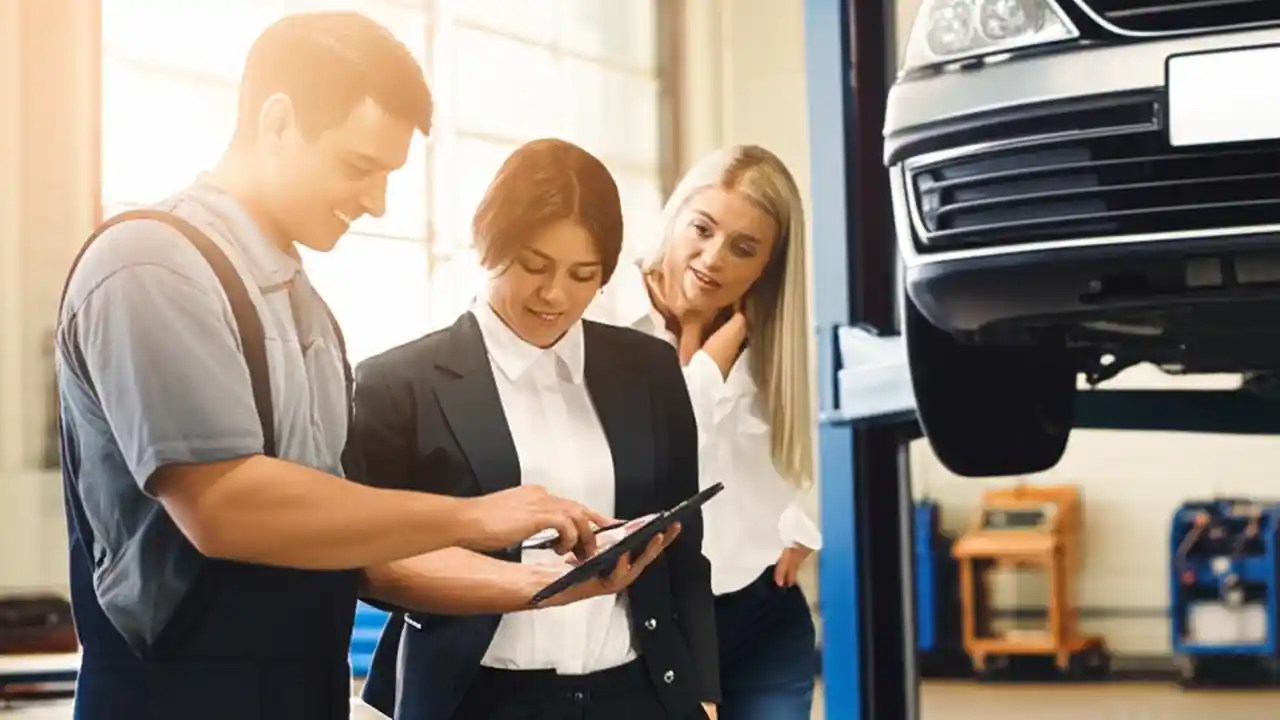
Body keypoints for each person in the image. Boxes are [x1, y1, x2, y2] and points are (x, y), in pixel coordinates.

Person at [54, 14, 611, 720]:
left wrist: (547, 587)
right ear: (278, 122)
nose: (376, 202)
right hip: (175, 698)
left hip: (301, 691)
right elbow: (226, 506)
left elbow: (353, 549)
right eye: (359, 166)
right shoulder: (150, 267)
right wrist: (477, 516)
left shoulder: (306, 310)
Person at [351, 138, 720, 720]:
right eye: (534, 266)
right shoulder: (398, 384)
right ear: (488, 242)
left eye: (583, 274)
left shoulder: (649, 369)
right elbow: (368, 564)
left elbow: (685, 553)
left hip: (638, 693)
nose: (555, 295)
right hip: (477, 698)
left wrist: (702, 690)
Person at [586, 144, 822, 719]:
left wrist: (799, 524)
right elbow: (659, 454)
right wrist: (708, 365)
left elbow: (798, 447)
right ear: (676, 215)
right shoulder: (602, 318)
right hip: (646, 616)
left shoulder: (774, 345)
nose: (713, 259)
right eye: (703, 229)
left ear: (768, 265)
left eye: (743, 249)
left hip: (763, 610)